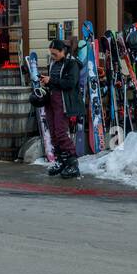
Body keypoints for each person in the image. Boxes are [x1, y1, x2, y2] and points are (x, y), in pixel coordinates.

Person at [39, 38, 82, 179]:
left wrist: (51, 80)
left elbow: (70, 83)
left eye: (55, 54)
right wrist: (45, 83)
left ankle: (72, 163)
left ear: (63, 51)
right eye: (51, 54)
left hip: (63, 102)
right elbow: (55, 82)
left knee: (61, 132)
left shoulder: (72, 63)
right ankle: (61, 160)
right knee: (53, 133)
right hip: (51, 101)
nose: (53, 57)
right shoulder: (53, 63)